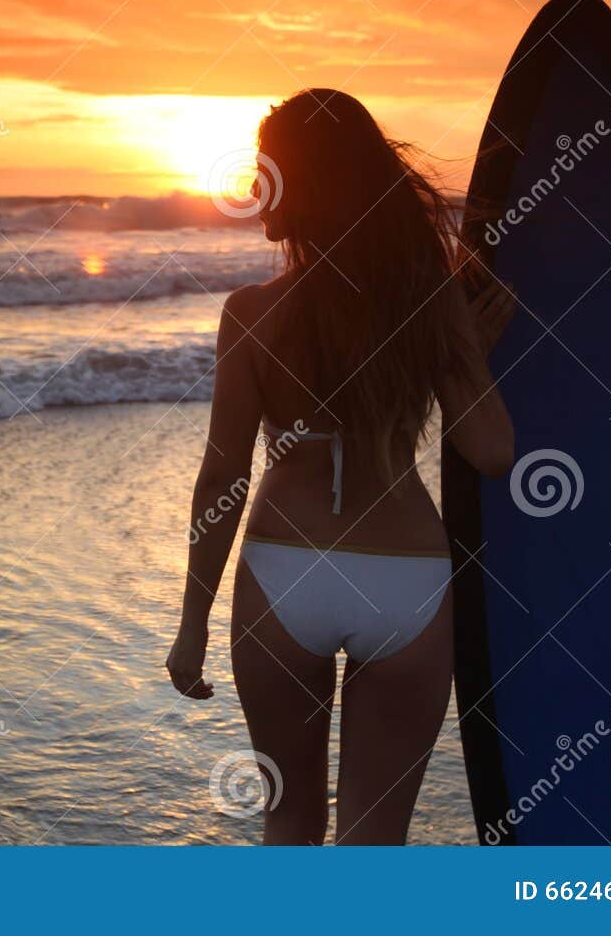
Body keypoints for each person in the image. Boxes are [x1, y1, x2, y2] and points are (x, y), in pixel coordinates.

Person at [166, 89, 516, 844]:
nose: (252, 191)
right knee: (373, 842)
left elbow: (220, 479)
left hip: (283, 574)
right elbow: (492, 451)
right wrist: (465, 356)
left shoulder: (251, 314)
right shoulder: (428, 303)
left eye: (265, 174)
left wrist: (192, 623)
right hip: (408, 584)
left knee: (289, 822)